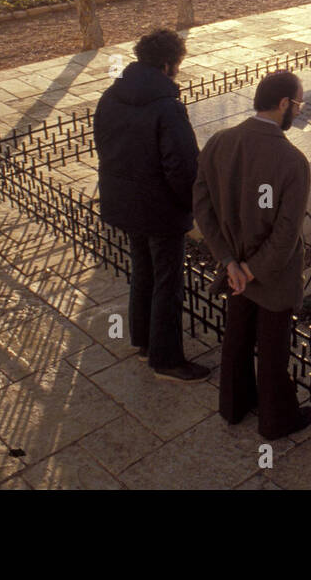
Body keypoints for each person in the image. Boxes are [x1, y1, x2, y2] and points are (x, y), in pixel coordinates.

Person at [193, 69, 311, 439]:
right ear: (283, 105)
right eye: (298, 103)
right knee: (273, 348)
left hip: (234, 270)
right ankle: (277, 419)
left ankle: (233, 405)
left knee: (238, 335)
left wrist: (230, 263)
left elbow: (203, 207)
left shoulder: (219, 142)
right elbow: (285, 234)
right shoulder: (292, 161)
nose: (299, 110)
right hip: (272, 277)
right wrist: (250, 268)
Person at [93, 28, 209, 382]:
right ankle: (166, 359)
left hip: (124, 202)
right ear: (167, 65)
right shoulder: (167, 108)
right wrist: (190, 205)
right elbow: (184, 167)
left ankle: (142, 340)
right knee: (168, 282)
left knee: (143, 270)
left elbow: (104, 146)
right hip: (159, 209)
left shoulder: (110, 97)